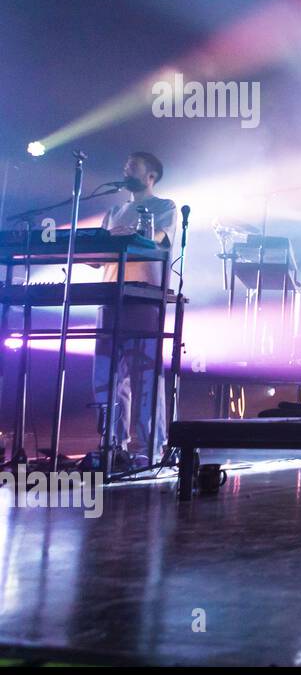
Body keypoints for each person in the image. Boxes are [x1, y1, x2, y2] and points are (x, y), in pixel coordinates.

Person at [94, 151, 178, 463]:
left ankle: (154, 451)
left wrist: (124, 237)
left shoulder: (164, 207)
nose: (126, 166)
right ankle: (114, 447)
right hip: (109, 298)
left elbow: (154, 240)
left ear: (151, 176)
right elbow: (96, 255)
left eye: (134, 164)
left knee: (146, 379)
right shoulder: (114, 210)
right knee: (107, 379)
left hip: (144, 300)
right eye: (125, 162)